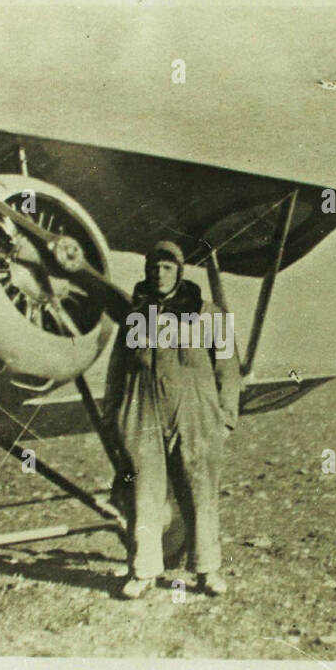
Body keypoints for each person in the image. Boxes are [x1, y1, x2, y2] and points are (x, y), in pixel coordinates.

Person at [103, 240, 241, 599]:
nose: (159, 274)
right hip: (142, 410)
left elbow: (228, 367)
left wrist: (226, 417)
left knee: (200, 488)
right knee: (143, 491)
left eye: (167, 267)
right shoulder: (136, 316)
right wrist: (113, 414)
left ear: (179, 271)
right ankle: (144, 571)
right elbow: (117, 369)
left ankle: (207, 569)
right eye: (154, 267)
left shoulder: (208, 313)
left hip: (195, 410)